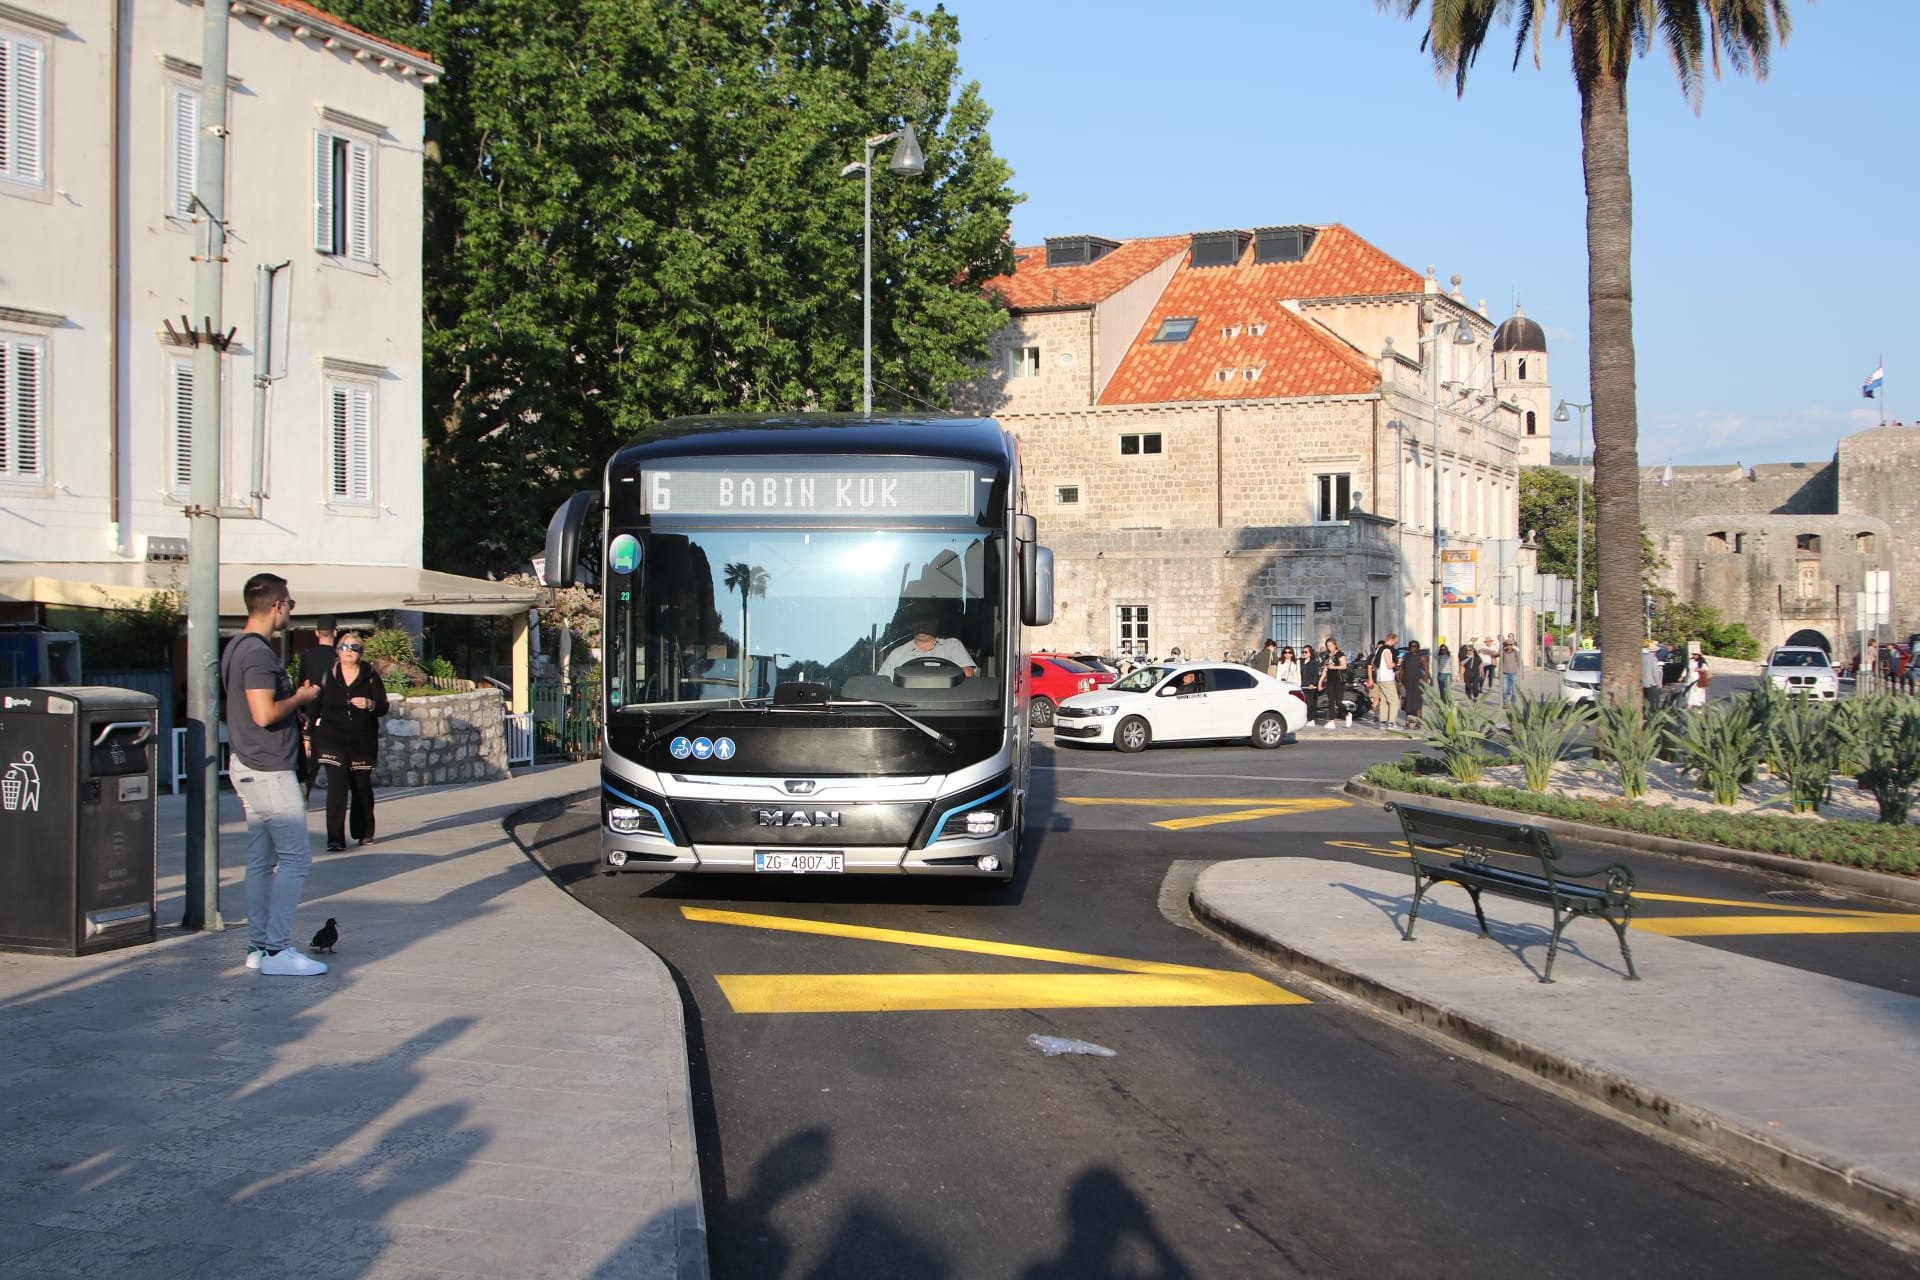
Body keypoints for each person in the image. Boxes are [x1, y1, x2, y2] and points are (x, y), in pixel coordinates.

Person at [220, 573, 326, 977]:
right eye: (291, 603)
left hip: (249, 764)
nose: (291, 610)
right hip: (267, 768)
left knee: (261, 860)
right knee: (296, 858)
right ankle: (278, 950)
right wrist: (300, 698)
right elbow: (264, 713)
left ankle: (258, 947)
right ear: (277, 605)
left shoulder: (236, 647)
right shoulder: (258, 654)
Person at [311, 630, 390, 850]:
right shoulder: (327, 674)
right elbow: (314, 706)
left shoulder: (370, 676)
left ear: (361, 653)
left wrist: (370, 704)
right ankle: (335, 838)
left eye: (354, 647)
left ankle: (363, 830)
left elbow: (383, 706)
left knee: (361, 787)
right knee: (337, 789)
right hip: (332, 739)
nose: (349, 651)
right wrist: (308, 734)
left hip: (362, 741)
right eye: (344, 646)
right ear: (337, 651)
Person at [299, 615, 338, 801]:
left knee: (312, 753)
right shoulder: (338, 657)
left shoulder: (307, 656)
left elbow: (301, 684)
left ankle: (307, 782)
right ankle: (337, 793)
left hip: (311, 709)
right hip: (334, 711)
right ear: (335, 632)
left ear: (316, 633)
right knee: (337, 754)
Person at [879, 609, 976, 677]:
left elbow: (968, 676)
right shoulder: (897, 654)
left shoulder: (953, 646)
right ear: (911, 624)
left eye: (927, 618)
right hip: (904, 706)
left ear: (936, 621)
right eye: (917, 618)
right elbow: (881, 687)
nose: (921, 623)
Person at [1370, 635, 1400, 729]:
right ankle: (1391, 723)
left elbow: (1373, 663)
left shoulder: (1379, 649)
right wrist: (1398, 663)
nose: (1395, 644)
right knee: (1394, 701)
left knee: (1383, 700)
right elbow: (1389, 665)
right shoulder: (1387, 650)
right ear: (1391, 640)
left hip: (1380, 678)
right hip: (1387, 678)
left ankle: (1382, 722)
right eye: (1395, 642)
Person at [1320, 639, 1350, 728]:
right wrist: (1322, 679)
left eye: (1331, 645)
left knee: (1338, 702)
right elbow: (1325, 667)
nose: (1330, 648)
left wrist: (1334, 667)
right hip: (1330, 680)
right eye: (1328, 646)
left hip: (1338, 679)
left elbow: (1344, 666)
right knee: (1331, 700)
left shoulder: (1340, 654)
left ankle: (1347, 713)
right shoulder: (1327, 656)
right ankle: (1331, 720)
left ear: (1335, 645)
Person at [1400, 639, 1427, 728]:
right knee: (1408, 702)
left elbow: (1426, 670)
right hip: (1408, 682)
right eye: (1411, 646)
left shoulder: (1421, 657)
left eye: (1414, 646)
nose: (1412, 648)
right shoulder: (1406, 656)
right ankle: (1407, 722)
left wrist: (1424, 680)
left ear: (1417, 648)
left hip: (1417, 682)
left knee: (1417, 703)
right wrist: (1400, 681)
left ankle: (1418, 722)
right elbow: (1402, 669)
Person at [1299, 644, 1323, 725]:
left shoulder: (1314, 663)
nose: (1304, 653)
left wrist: (1313, 683)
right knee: (1304, 703)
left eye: (1306, 652)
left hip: (1310, 686)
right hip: (1302, 685)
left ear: (1310, 653)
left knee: (1310, 703)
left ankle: (1311, 719)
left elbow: (1316, 674)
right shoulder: (1301, 662)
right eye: (1303, 652)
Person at [1499, 638, 1522, 702]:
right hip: (1505, 673)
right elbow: (1501, 662)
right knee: (1504, 690)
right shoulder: (1503, 652)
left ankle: (1513, 703)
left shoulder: (1516, 652)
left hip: (1514, 673)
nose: (1509, 646)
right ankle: (1505, 702)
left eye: (1511, 644)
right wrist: (1499, 673)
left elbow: (1520, 662)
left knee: (1514, 691)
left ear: (1513, 645)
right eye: (1507, 644)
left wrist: (1522, 673)